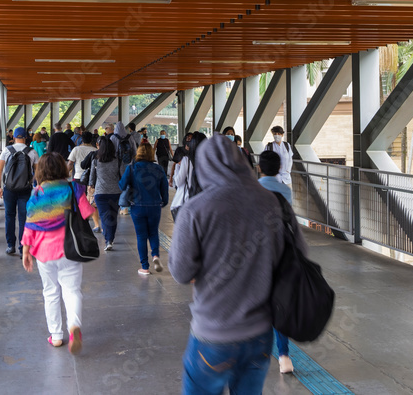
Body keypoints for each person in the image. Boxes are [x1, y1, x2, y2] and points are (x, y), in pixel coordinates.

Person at [170, 134, 308, 394]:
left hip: (213, 333)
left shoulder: (195, 210)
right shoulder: (272, 202)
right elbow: (300, 252)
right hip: (260, 334)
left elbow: (180, 271)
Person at [22, 152, 95, 353]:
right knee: (72, 290)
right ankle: (74, 327)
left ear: (41, 170)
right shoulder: (73, 188)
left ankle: (56, 336)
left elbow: (29, 224)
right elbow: (88, 212)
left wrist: (26, 252)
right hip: (70, 248)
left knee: (51, 292)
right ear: (63, 168)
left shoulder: (37, 193)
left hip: (43, 251)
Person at [256, 149, 294, 375]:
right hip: (281, 253)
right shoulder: (286, 191)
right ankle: (284, 356)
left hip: (256, 254)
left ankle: (256, 351)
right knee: (279, 305)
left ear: (259, 167)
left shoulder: (252, 190)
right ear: (279, 167)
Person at [119, 142, 169, 275]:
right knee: (153, 233)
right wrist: (164, 201)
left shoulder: (132, 168)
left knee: (141, 236)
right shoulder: (158, 168)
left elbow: (122, 185)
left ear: (138, 153)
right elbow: (164, 187)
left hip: (138, 206)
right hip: (154, 206)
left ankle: (145, 267)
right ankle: (156, 256)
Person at [0, 127, 40, 256]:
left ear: (13, 137)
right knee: (23, 218)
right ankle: (22, 247)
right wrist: (34, 183)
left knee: (9, 216)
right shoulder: (32, 152)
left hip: (9, 189)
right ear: (26, 137)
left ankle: (10, 245)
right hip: (25, 189)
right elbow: (38, 171)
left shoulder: (7, 151)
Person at [88, 136, 123, 251]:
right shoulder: (118, 161)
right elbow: (122, 176)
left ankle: (108, 239)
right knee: (113, 215)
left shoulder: (96, 161)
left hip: (100, 193)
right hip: (115, 192)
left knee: (104, 216)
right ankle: (110, 239)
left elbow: (91, 178)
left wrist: (90, 187)